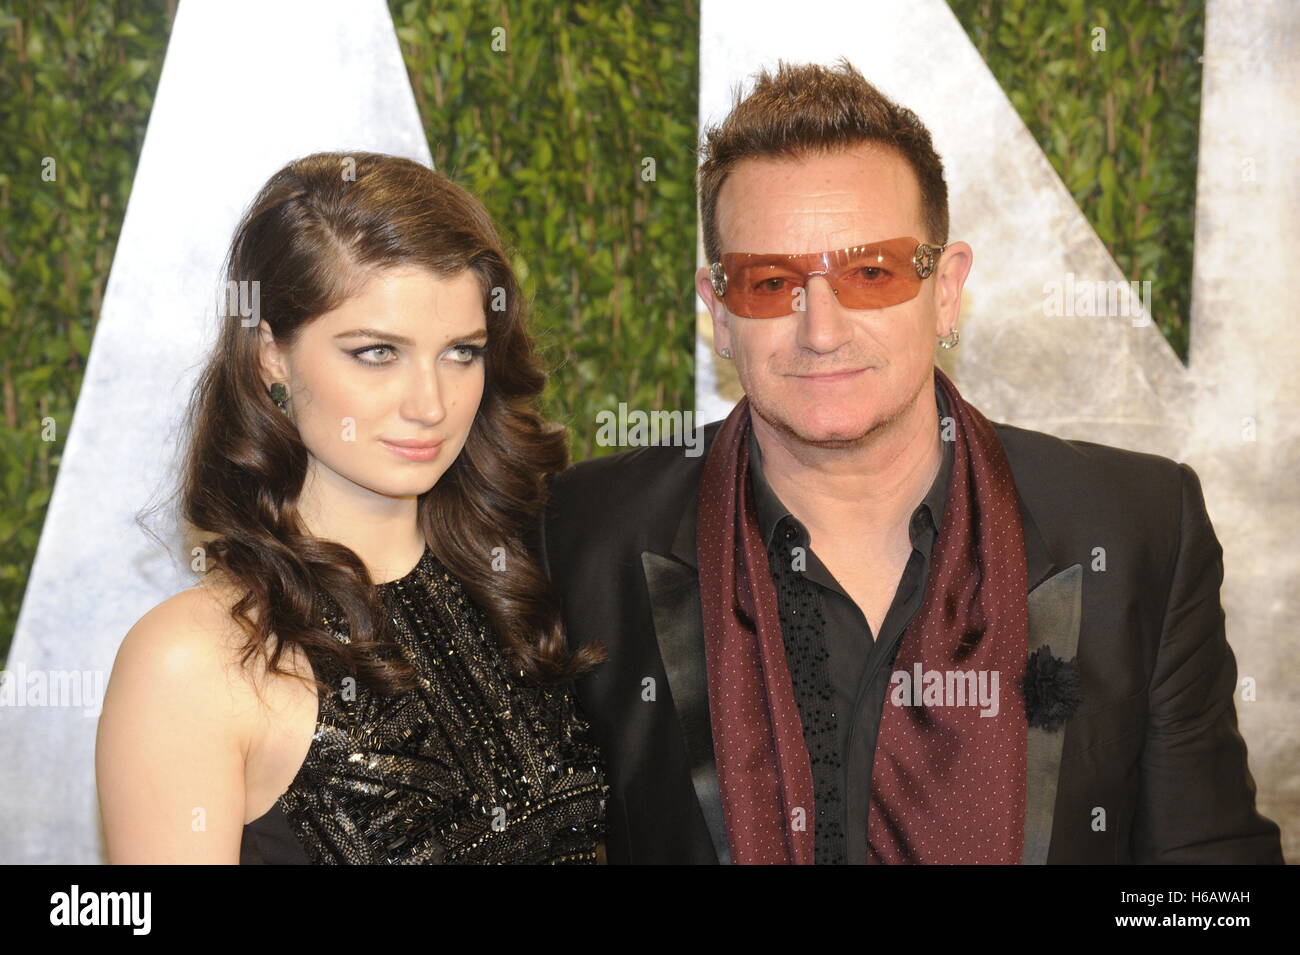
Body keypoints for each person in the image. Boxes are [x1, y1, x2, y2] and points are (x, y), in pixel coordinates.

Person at [542, 60, 1284, 864]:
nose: (820, 329)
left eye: (869, 272)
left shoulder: (1137, 527)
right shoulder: (584, 537)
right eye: (769, 281)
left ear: (946, 289)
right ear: (719, 313)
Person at [97, 151, 608, 864]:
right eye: (376, 352)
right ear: (270, 353)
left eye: (461, 352)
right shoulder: (191, 662)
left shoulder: (530, 586)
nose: (430, 403)